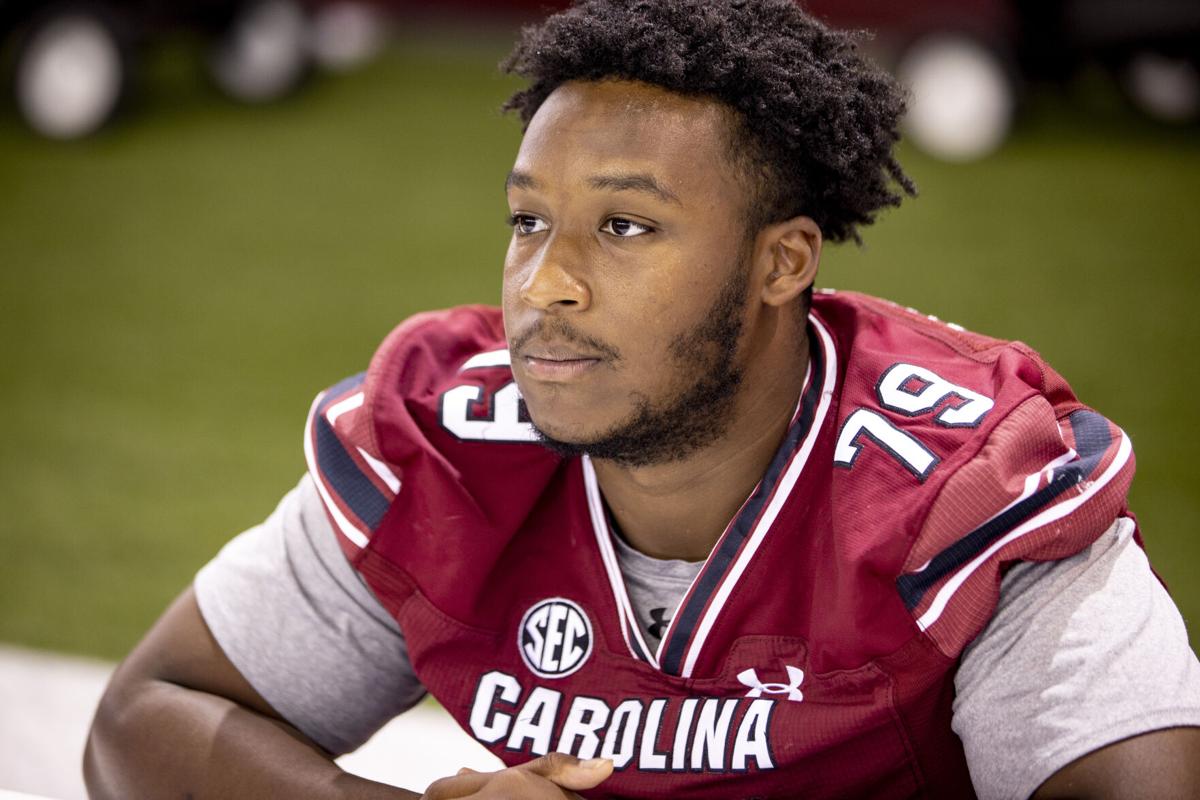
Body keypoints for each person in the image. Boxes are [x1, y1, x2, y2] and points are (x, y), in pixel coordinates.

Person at [84, 1, 1200, 797]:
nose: (543, 282)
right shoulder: (443, 447)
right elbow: (143, 721)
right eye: (529, 220)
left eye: (625, 227)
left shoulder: (975, 491)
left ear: (783, 262)